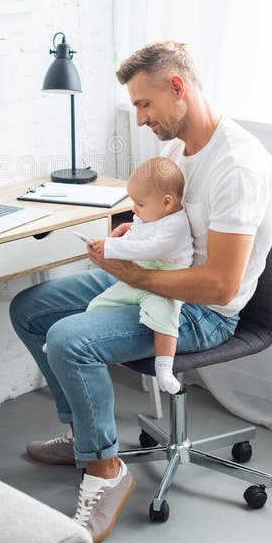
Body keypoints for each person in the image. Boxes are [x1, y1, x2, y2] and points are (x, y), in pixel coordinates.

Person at [9, 40, 272, 543]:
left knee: (70, 339)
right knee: (31, 307)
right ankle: (83, 435)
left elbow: (220, 283)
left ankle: (106, 469)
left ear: (177, 88)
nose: (139, 119)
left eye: (143, 104)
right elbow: (159, 219)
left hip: (202, 310)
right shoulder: (177, 148)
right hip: (154, 275)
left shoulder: (236, 167)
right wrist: (126, 236)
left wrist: (135, 276)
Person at [86, 157, 193, 395]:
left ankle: (165, 369)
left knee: (164, 318)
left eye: (140, 204)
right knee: (101, 302)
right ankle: (73, 341)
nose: (134, 209)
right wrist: (123, 235)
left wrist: (111, 248)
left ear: (166, 203)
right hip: (141, 273)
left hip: (167, 280)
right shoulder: (149, 216)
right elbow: (138, 236)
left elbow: (150, 248)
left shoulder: (176, 225)